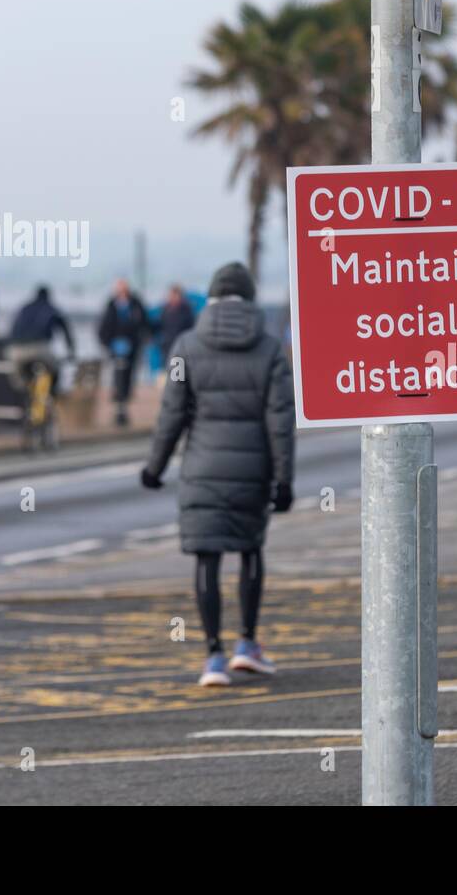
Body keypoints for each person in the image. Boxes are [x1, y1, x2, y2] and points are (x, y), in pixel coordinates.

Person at [142, 262, 296, 687]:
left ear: (209, 299)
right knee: (249, 550)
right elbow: (280, 421)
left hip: (202, 469)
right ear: (248, 299)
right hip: (252, 469)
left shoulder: (185, 347)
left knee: (206, 557)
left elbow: (171, 414)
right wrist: (284, 480)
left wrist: (154, 468)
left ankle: (213, 656)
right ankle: (247, 643)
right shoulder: (269, 350)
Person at [98, 279, 148, 426]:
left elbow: (144, 324)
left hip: (132, 347)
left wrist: (142, 340)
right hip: (115, 348)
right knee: (118, 377)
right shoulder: (111, 304)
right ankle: (120, 408)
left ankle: (123, 406)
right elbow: (104, 326)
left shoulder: (135, 304)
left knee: (128, 378)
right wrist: (108, 344)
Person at [7, 285, 75, 392]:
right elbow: (66, 331)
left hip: (16, 351)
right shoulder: (51, 308)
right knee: (55, 370)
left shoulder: (24, 308)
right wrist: (71, 351)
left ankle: (26, 399)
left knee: (21, 381)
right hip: (40, 348)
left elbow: (12, 329)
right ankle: (52, 395)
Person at [155, 284, 196, 366]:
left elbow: (190, 328)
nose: (172, 297)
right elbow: (160, 326)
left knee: (178, 373)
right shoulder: (165, 310)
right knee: (167, 369)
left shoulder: (186, 311)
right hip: (167, 346)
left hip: (182, 346)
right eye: (170, 295)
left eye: (174, 295)